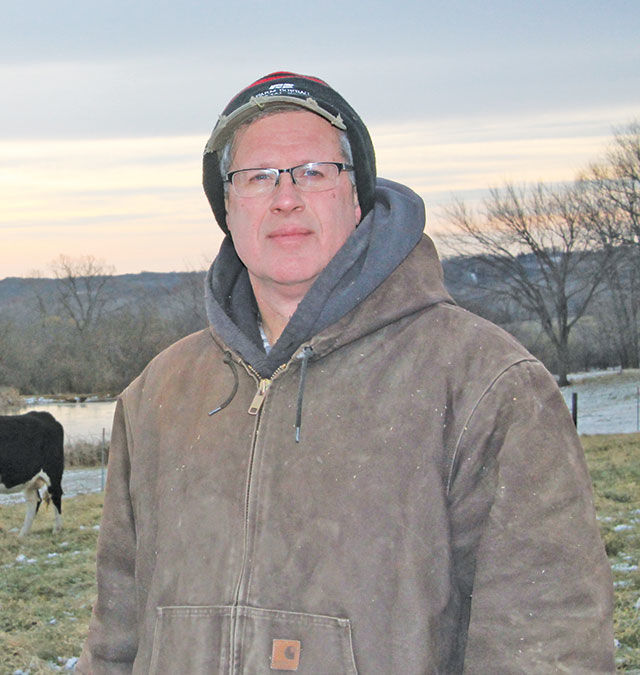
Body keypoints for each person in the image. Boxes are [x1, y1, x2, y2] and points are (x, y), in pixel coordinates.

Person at [76, 72, 615, 673]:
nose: (286, 198)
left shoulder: (486, 385)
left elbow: (548, 646)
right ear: (227, 208)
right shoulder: (159, 394)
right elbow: (116, 638)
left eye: (313, 172)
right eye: (257, 177)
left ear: (356, 198)